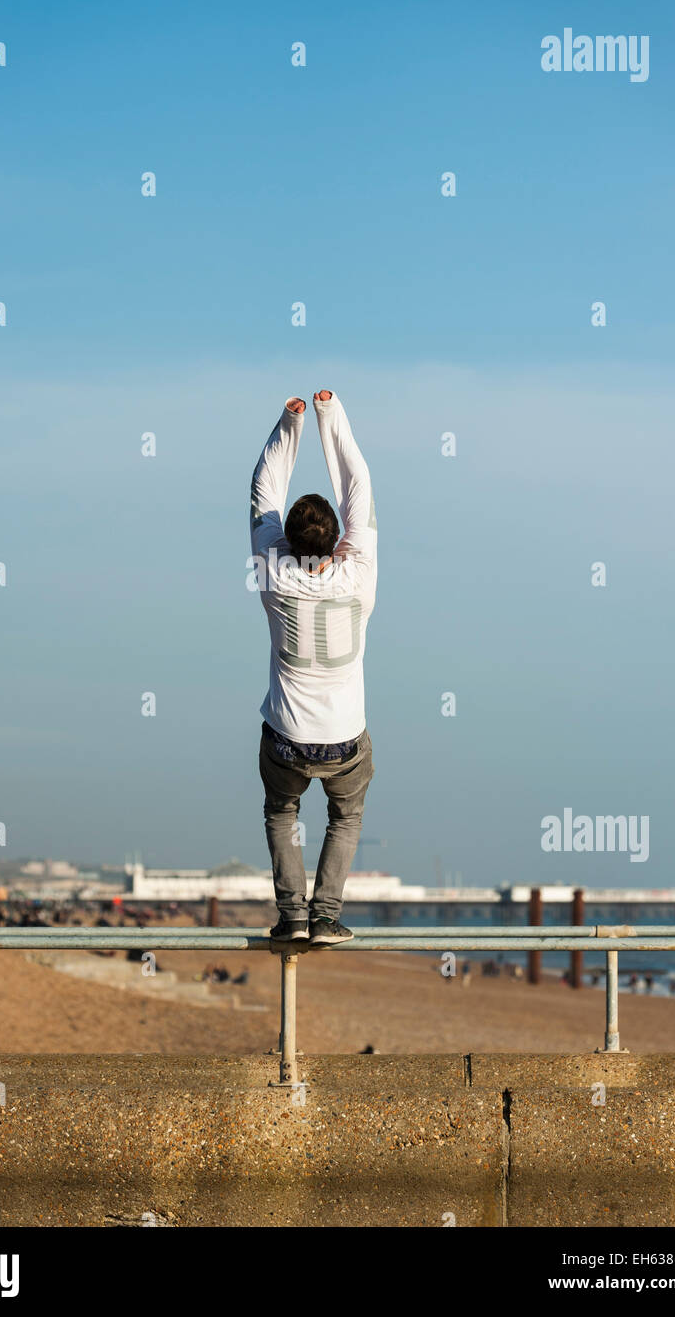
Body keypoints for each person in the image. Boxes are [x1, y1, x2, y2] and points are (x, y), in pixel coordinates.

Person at [250, 390, 377, 947]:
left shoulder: (273, 574)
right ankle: (326, 916)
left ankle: (293, 915)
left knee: (283, 810)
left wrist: (290, 422)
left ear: (287, 542)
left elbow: (263, 493)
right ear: (338, 543)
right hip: (345, 738)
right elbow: (358, 486)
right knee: (345, 817)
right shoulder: (360, 572)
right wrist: (331, 415)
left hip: (286, 737)